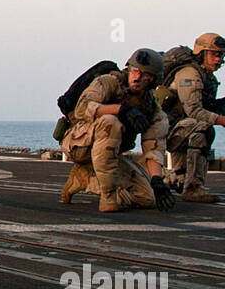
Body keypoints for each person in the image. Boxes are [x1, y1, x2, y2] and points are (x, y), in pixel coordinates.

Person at [59, 49, 174, 213]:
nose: (138, 77)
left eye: (145, 74)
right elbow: (83, 108)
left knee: (145, 198)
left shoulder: (152, 109)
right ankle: (108, 196)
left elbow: (154, 146)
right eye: (135, 71)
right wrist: (120, 109)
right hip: (79, 143)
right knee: (110, 122)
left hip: (109, 153)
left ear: (154, 79)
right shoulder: (107, 83)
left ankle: (85, 178)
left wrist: (157, 180)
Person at [162, 32, 225, 203]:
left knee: (198, 128)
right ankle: (193, 189)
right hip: (165, 131)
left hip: (180, 129)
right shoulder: (190, 74)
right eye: (215, 54)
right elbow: (194, 111)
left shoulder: (207, 77)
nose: (219, 59)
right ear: (202, 53)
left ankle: (178, 178)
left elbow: (208, 109)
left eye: (221, 55)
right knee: (203, 128)